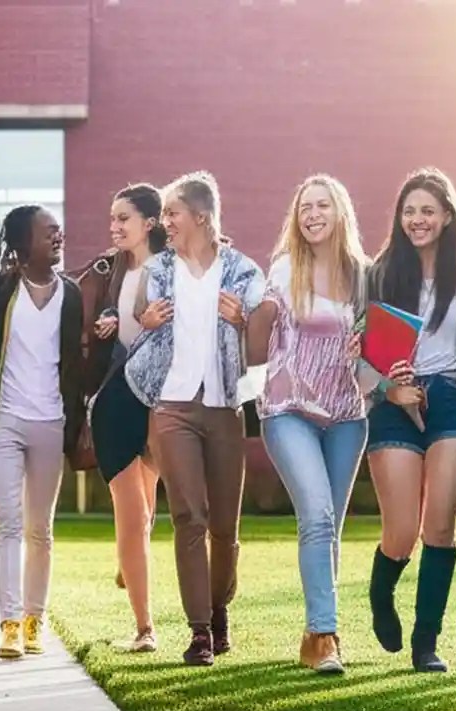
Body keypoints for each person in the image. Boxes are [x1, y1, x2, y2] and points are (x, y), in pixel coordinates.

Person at [125, 171, 264, 666]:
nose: (164, 222)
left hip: (225, 405)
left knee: (224, 525)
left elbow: (265, 342)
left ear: (201, 216)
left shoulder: (244, 272)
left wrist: (243, 321)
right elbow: (140, 321)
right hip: (172, 406)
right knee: (189, 517)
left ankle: (219, 607)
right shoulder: (158, 269)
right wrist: (144, 322)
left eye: (172, 213)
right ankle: (200, 630)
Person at [247, 175, 374, 674]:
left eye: (322, 205)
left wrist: (366, 350)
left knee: (330, 526)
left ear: (340, 213)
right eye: (305, 207)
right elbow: (260, 340)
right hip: (289, 410)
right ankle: (325, 634)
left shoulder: (363, 276)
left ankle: (315, 633)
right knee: (317, 516)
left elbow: (377, 357)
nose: (313, 214)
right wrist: (250, 316)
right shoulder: (284, 269)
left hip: (346, 414)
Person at [364, 168, 456, 673]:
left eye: (428, 211)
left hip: (450, 399)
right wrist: (389, 389)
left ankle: (426, 641)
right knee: (402, 532)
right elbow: (358, 352)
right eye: (409, 211)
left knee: (439, 528)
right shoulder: (379, 274)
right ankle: (380, 593)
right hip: (394, 402)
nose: (417, 220)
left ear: (447, 217)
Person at [0, 205, 85, 659]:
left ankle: (35, 620)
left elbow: (74, 363)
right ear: (22, 242)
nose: (58, 236)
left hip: (50, 423)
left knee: (41, 529)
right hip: (5, 423)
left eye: (59, 230)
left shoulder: (71, 294)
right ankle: (9, 623)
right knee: (8, 523)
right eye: (48, 231)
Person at [74, 183, 168, 652]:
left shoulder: (170, 270)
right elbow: (113, 319)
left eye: (123, 218)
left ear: (150, 223)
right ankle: (144, 627)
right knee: (132, 515)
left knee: (146, 513)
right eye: (112, 218)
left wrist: (148, 325)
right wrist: (113, 319)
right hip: (116, 401)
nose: (114, 226)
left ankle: (129, 561)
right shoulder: (113, 271)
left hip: (159, 401)